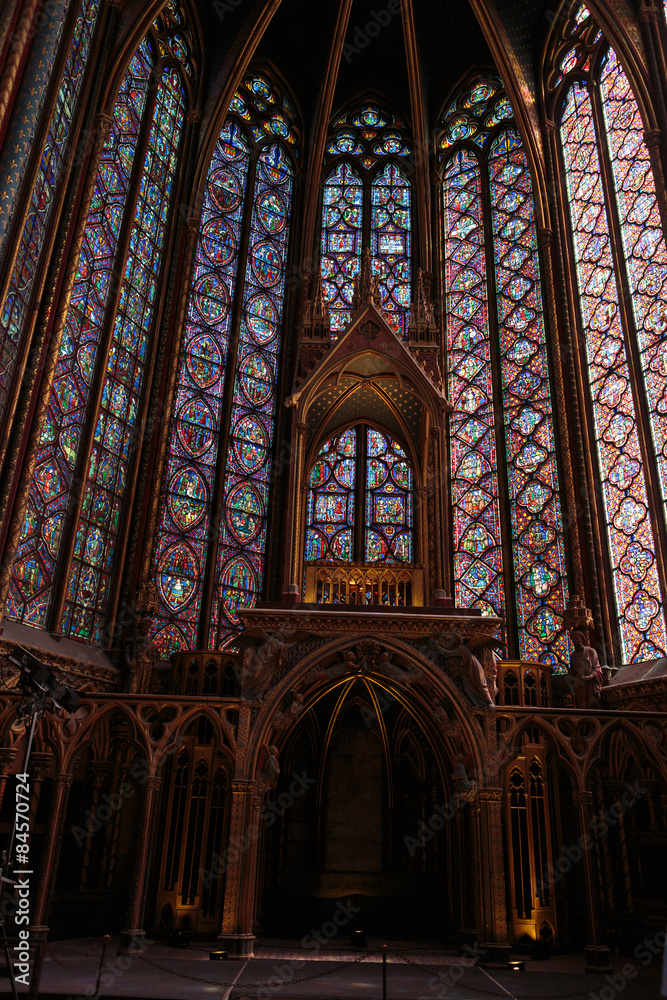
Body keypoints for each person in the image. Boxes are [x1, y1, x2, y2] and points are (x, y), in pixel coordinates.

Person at [569, 630, 604, 708]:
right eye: (573, 639)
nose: (575, 641)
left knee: (593, 705)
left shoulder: (591, 651)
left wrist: (590, 677)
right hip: (580, 686)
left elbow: (597, 668)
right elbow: (573, 672)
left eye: (577, 639)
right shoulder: (573, 655)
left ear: (581, 639)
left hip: (590, 684)